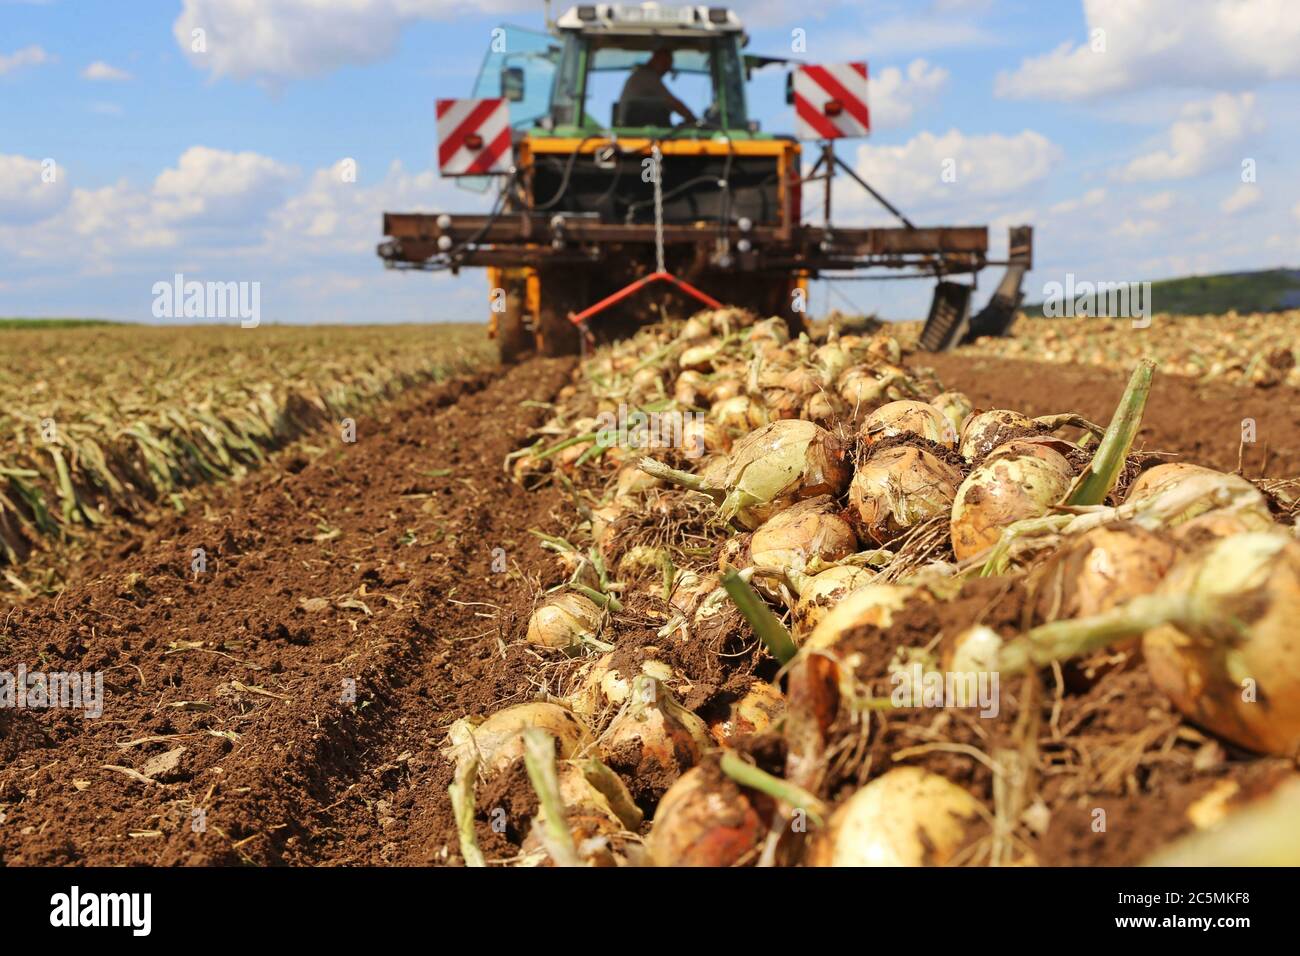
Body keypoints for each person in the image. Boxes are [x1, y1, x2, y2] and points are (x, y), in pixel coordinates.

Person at [617, 48, 697, 126]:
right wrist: (692, 119)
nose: (666, 70)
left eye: (668, 67)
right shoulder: (646, 76)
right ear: (655, 58)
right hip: (637, 128)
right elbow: (673, 103)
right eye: (665, 64)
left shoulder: (642, 75)